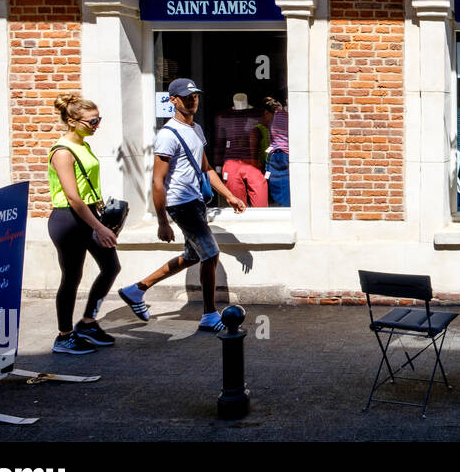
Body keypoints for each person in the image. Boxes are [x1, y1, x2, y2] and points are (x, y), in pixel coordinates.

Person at [118, 78, 246, 332]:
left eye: (195, 96)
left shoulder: (196, 129)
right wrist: (163, 221)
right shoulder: (167, 135)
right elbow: (157, 181)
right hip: (180, 203)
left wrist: (229, 195)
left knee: (192, 256)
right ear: (173, 100)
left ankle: (136, 290)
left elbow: (206, 168)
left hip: (195, 200)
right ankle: (209, 315)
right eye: (186, 97)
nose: (192, 100)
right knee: (210, 254)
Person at [48, 93, 121, 355]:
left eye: (98, 120)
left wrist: (101, 211)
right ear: (71, 120)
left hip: (88, 215)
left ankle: (88, 322)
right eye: (91, 121)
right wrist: (99, 227)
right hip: (69, 219)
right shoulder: (62, 151)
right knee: (72, 278)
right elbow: (72, 197)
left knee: (111, 266)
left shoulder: (82, 145)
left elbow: (86, 188)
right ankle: (64, 336)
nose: (96, 125)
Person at [266, 97, 290, 207]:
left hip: (285, 154)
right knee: (276, 185)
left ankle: (285, 208)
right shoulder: (278, 113)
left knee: (285, 185)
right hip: (276, 154)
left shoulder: (283, 114)